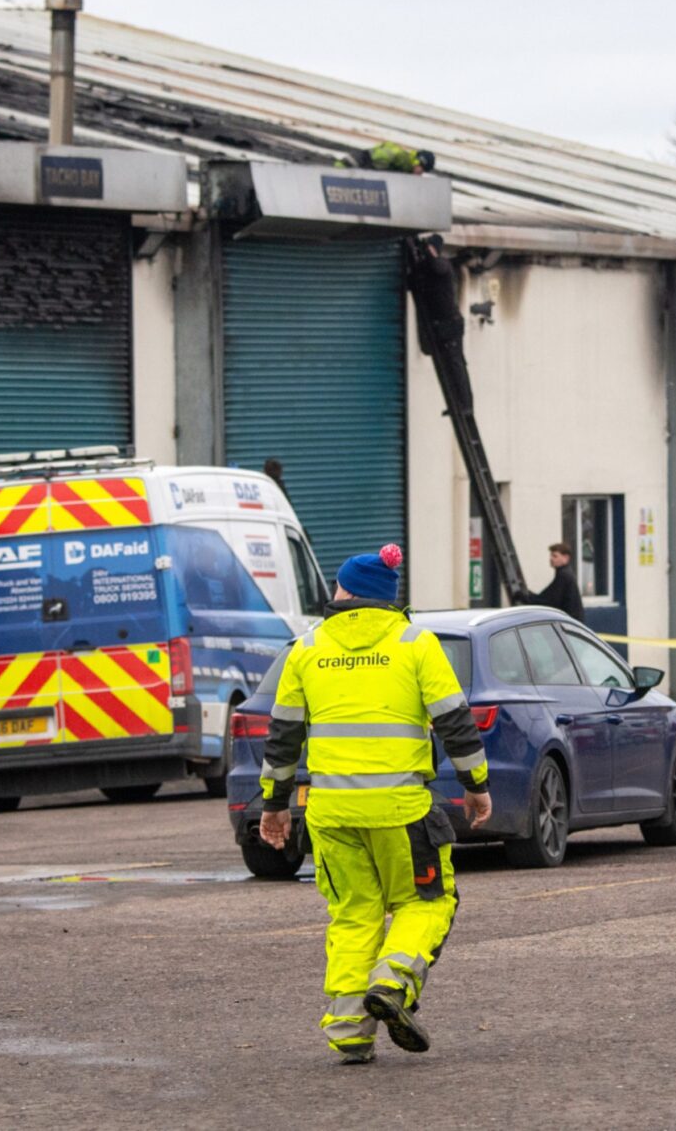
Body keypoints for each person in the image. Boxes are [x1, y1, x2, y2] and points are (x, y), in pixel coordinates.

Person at [258, 544, 493, 1065]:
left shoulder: (307, 648)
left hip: (331, 815)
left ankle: (348, 1030)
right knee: (426, 903)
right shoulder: (416, 643)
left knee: (353, 913)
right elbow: (455, 721)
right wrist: (476, 784)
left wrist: (273, 805)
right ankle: (391, 983)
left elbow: (282, 738)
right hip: (401, 813)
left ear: (344, 592)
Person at [406, 234, 473, 416]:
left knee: (455, 365)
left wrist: (429, 252)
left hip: (451, 324)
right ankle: (455, 404)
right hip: (441, 326)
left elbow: (436, 266)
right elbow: (413, 281)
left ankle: (465, 405)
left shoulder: (443, 264)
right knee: (447, 366)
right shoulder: (426, 270)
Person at [518, 541, 585, 621]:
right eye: (551, 555)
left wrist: (526, 597)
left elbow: (549, 601)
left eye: (555, 556)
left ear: (566, 558)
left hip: (569, 623)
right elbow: (548, 597)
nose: (551, 559)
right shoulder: (564, 574)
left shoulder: (564, 576)